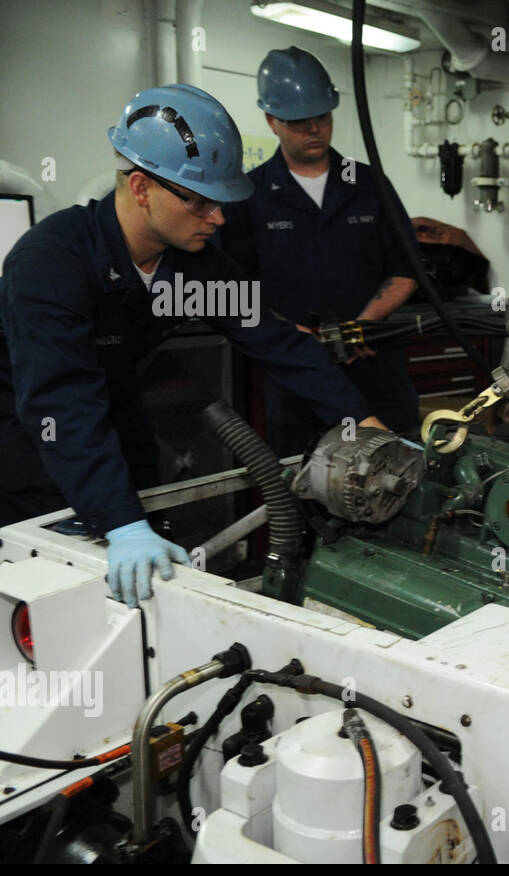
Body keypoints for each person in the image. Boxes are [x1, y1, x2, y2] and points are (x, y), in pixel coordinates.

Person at [0, 84, 385, 608]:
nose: (219, 219)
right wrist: (120, 523)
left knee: (147, 554)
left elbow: (278, 344)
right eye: (201, 203)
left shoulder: (193, 265)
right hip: (31, 432)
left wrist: (359, 421)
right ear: (141, 188)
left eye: (222, 203)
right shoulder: (50, 263)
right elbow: (61, 405)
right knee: (60, 591)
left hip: (115, 410)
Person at [220, 46, 420, 457]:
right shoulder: (249, 196)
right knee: (305, 489)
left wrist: (359, 328)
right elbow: (233, 287)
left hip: (375, 370)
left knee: (397, 471)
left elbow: (407, 270)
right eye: (298, 122)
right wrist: (286, 334)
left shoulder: (368, 185)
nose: (314, 129)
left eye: (323, 117)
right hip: (298, 379)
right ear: (271, 121)